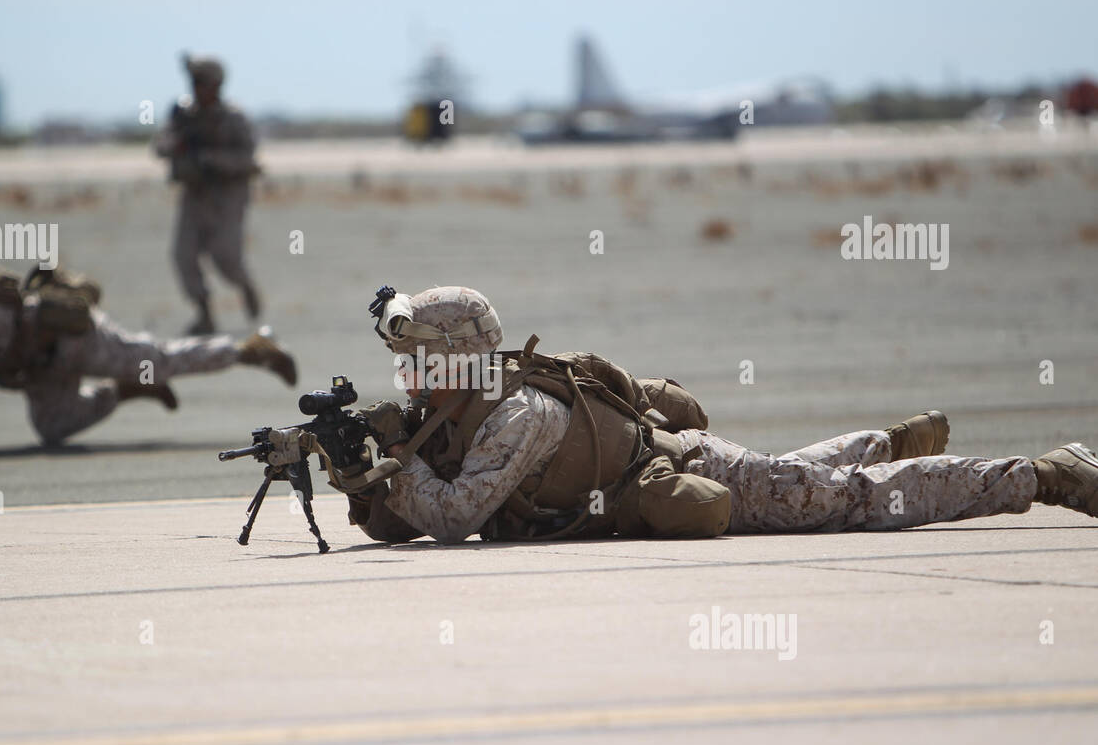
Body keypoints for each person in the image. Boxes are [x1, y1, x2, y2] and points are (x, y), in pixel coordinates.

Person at [341, 286, 1098, 544]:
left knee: (847, 505)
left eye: (416, 361)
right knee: (808, 479)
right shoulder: (452, 414)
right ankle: (885, 439)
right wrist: (358, 477)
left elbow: (451, 520)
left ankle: (1042, 474)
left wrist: (393, 466)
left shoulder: (517, 414)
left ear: (456, 356)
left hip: (683, 469)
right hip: (664, 469)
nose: (405, 377)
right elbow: (408, 522)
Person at [0, 266, 296, 458]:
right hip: (39, 370)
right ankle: (125, 391)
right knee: (53, 430)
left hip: (73, 341)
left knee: (158, 359)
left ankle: (248, 349)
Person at [154, 54, 262, 335]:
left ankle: (245, 285)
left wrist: (211, 160)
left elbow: (248, 159)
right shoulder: (183, 114)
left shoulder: (233, 118)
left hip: (227, 196)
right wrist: (175, 146)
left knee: (225, 256)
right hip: (194, 195)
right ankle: (204, 314)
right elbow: (161, 144)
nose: (197, 88)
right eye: (194, 82)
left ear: (216, 85)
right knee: (183, 255)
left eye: (202, 82)